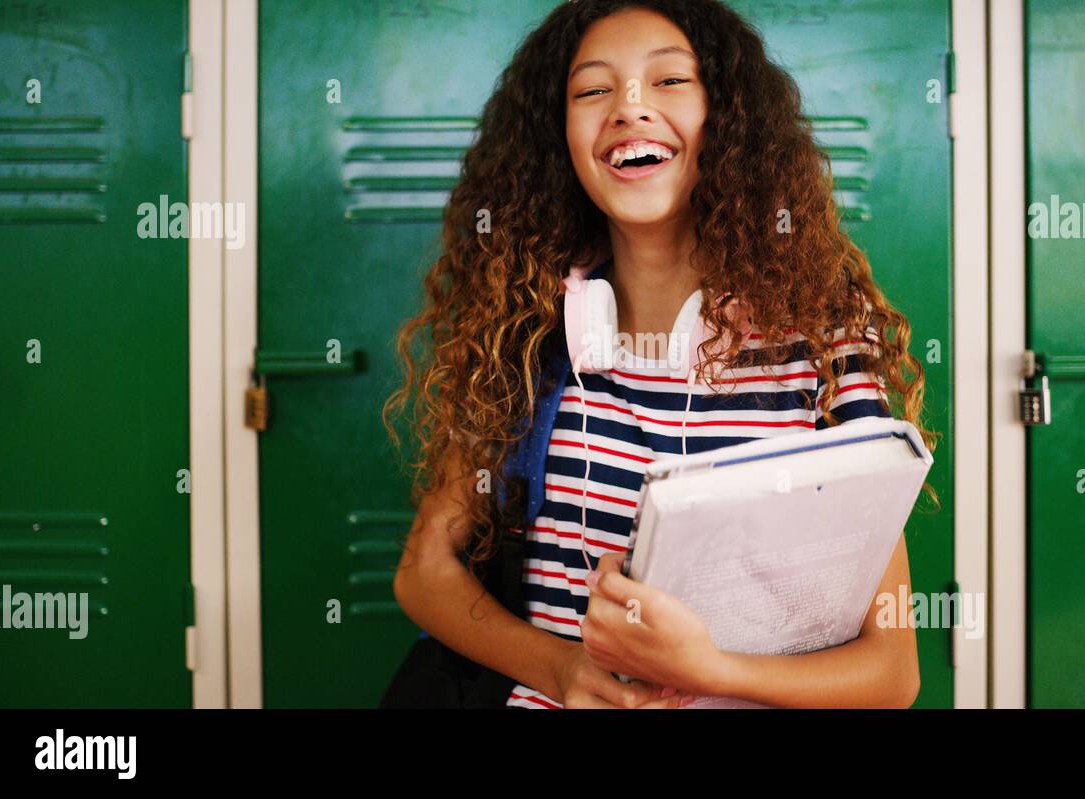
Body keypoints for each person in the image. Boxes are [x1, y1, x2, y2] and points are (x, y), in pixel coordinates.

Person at [384, 0, 937, 709]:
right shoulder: (526, 335)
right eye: (592, 90)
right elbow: (422, 570)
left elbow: (894, 674)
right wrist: (560, 669)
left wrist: (707, 669)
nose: (629, 108)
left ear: (728, 119)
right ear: (561, 137)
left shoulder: (825, 342)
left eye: (670, 81)